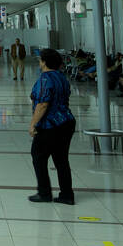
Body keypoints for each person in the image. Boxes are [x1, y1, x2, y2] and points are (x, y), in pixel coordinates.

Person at [29, 48, 76, 204]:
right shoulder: (62, 77)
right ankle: (67, 195)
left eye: (40, 60)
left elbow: (42, 104)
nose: (39, 63)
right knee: (61, 159)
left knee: (38, 156)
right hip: (66, 122)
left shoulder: (45, 79)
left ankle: (44, 193)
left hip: (51, 124)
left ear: (44, 62)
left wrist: (33, 125)